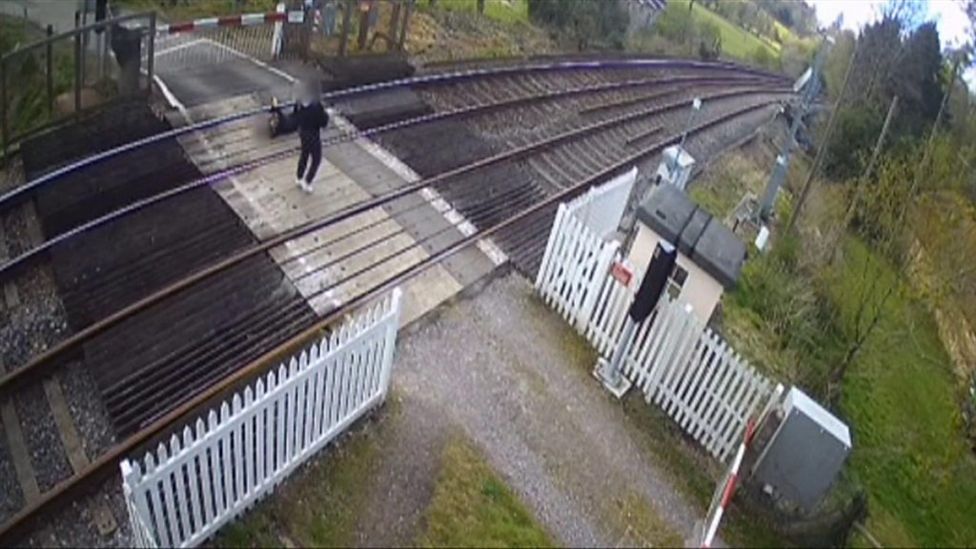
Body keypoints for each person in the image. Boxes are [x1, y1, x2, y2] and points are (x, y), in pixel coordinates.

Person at [293, 82, 329, 193]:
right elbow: (323, 122)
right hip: (313, 134)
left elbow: (295, 114)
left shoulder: (299, 101)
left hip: (303, 132)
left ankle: (299, 177)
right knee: (316, 158)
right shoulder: (317, 105)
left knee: (304, 153)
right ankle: (307, 181)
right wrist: (327, 115)